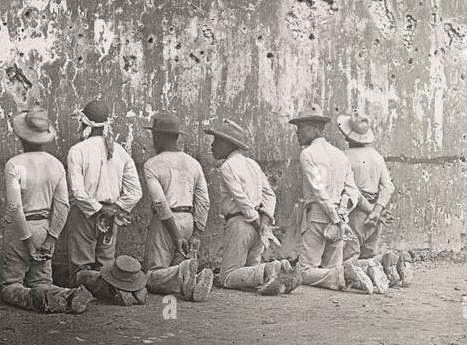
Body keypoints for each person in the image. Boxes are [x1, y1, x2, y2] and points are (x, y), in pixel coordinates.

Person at [0, 105, 92, 314]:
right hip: (44, 227)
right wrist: (51, 239)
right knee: (42, 281)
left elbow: (14, 207)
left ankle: (35, 299)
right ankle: (67, 294)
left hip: (19, 230)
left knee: (10, 285)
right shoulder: (56, 165)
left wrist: (27, 240)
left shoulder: (14, 164)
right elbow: (62, 206)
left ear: (21, 137)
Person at [204, 119, 297, 294]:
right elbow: (270, 195)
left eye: (216, 141)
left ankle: (273, 269)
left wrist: (257, 223)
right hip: (258, 226)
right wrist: (265, 221)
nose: (212, 146)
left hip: (240, 224)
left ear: (227, 144)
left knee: (227, 276)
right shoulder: (253, 164)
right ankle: (272, 272)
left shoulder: (227, 167)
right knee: (249, 273)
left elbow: (241, 200)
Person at [64, 99, 143, 290]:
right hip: (111, 216)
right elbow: (135, 192)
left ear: (84, 123)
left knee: (79, 269)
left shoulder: (77, 151)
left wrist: (101, 209)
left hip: (85, 215)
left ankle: (104, 288)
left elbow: (77, 190)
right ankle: (119, 288)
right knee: (106, 264)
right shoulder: (121, 152)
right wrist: (113, 210)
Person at [290, 112, 372, 293]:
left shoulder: (308, 154)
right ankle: (362, 269)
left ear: (315, 129)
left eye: (301, 128)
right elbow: (352, 192)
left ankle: (345, 274)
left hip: (319, 216)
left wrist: (335, 218)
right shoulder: (340, 155)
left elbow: (319, 191)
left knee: (304, 271)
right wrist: (341, 215)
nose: (297, 133)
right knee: (331, 270)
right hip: (340, 218)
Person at [140, 110, 214, 302]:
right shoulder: (194, 163)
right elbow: (204, 200)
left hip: (166, 223)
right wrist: (197, 233)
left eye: (154, 136)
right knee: (178, 267)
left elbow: (160, 203)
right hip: (189, 220)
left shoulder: (152, 164)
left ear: (159, 136)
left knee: (151, 275)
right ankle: (193, 278)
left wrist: (174, 234)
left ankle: (180, 274)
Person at [339, 113, 411, 288]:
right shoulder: (377, 156)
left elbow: (352, 191)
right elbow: (388, 187)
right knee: (369, 255)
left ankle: (365, 279)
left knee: (349, 257)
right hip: (375, 214)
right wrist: (377, 211)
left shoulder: (343, 156)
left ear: (346, 134)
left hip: (355, 211)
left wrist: (369, 209)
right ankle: (388, 271)